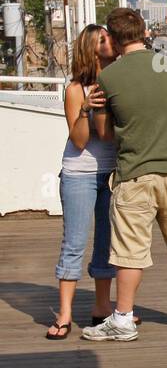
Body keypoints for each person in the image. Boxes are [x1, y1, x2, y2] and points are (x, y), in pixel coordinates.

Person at [81, 8, 167, 341]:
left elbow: (106, 134)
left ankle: (123, 319)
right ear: (143, 32)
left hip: (134, 175)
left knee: (129, 251)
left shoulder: (109, 78)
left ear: (111, 38)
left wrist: (93, 108)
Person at [46, 26, 122, 339]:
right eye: (103, 40)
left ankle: (102, 308)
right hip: (79, 173)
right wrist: (85, 110)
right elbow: (78, 142)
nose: (110, 43)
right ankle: (64, 314)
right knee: (75, 242)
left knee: (106, 243)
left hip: (111, 172)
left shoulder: (118, 82)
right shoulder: (75, 88)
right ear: (90, 49)